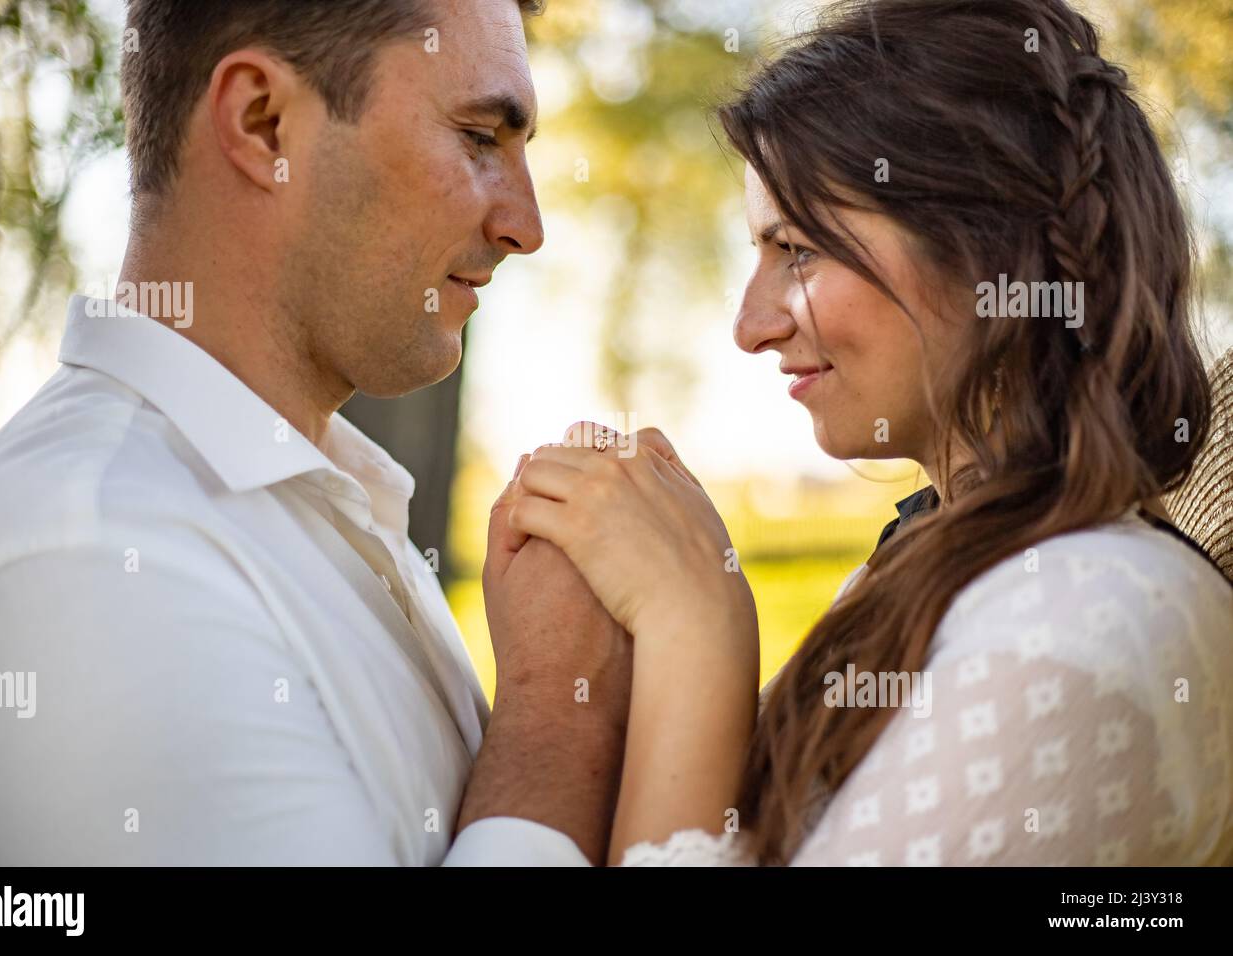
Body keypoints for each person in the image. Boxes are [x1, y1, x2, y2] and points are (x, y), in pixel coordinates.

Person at [503, 0, 1233, 865]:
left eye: (800, 250)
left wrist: (693, 628)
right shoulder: (932, 570)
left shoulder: (1089, 619)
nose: (752, 324)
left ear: (987, 249)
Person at [0, 0, 630, 865]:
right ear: (264, 125)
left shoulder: (321, 503)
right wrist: (563, 712)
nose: (525, 225)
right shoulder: (82, 553)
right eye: (480, 138)